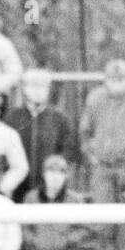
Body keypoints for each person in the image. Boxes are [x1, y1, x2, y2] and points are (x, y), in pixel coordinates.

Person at [79, 58, 125, 205]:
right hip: (102, 166)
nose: (117, 84)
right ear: (106, 80)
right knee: (102, 213)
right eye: (113, 80)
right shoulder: (95, 98)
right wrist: (90, 154)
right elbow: (85, 130)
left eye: (121, 80)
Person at [4, 68, 78, 201]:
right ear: (25, 89)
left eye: (42, 87)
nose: (38, 91)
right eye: (33, 86)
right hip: (17, 188)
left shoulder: (59, 119)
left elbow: (69, 153)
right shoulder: (12, 118)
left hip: (48, 191)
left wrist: (56, 177)